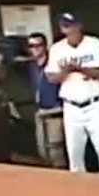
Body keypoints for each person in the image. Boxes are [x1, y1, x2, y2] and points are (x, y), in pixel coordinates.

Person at [44, 13, 99, 180]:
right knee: (74, 154)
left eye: (71, 25)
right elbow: (51, 78)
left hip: (94, 104)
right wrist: (66, 71)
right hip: (71, 107)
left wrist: (80, 69)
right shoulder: (57, 49)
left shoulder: (93, 44)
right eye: (65, 26)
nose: (68, 29)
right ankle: (79, 195)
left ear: (79, 26)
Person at [26, 32, 66, 168]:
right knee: (42, 149)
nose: (35, 48)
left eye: (38, 45)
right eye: (31, 46)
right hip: (40, 110)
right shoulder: (31, 65)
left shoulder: (53, 63)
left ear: (45, 46)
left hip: (55, 110)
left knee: (56, 150)